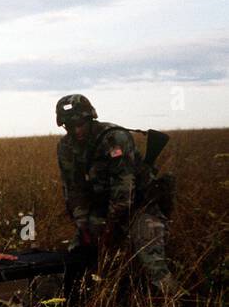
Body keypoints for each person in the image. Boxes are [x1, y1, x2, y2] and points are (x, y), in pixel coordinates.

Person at [55, 94, 180, 296]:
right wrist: (83, 225)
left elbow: (124, 192)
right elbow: (73, 190)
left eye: (80, 124)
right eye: (70, 126)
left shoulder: (114, 139)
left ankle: (179, 306)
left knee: (152, 262)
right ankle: (82, 301)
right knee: (76, 255)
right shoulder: (66, 148)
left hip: (140, 207)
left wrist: (110, 230)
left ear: (90, 119)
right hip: (102, 210)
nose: (77, 130)